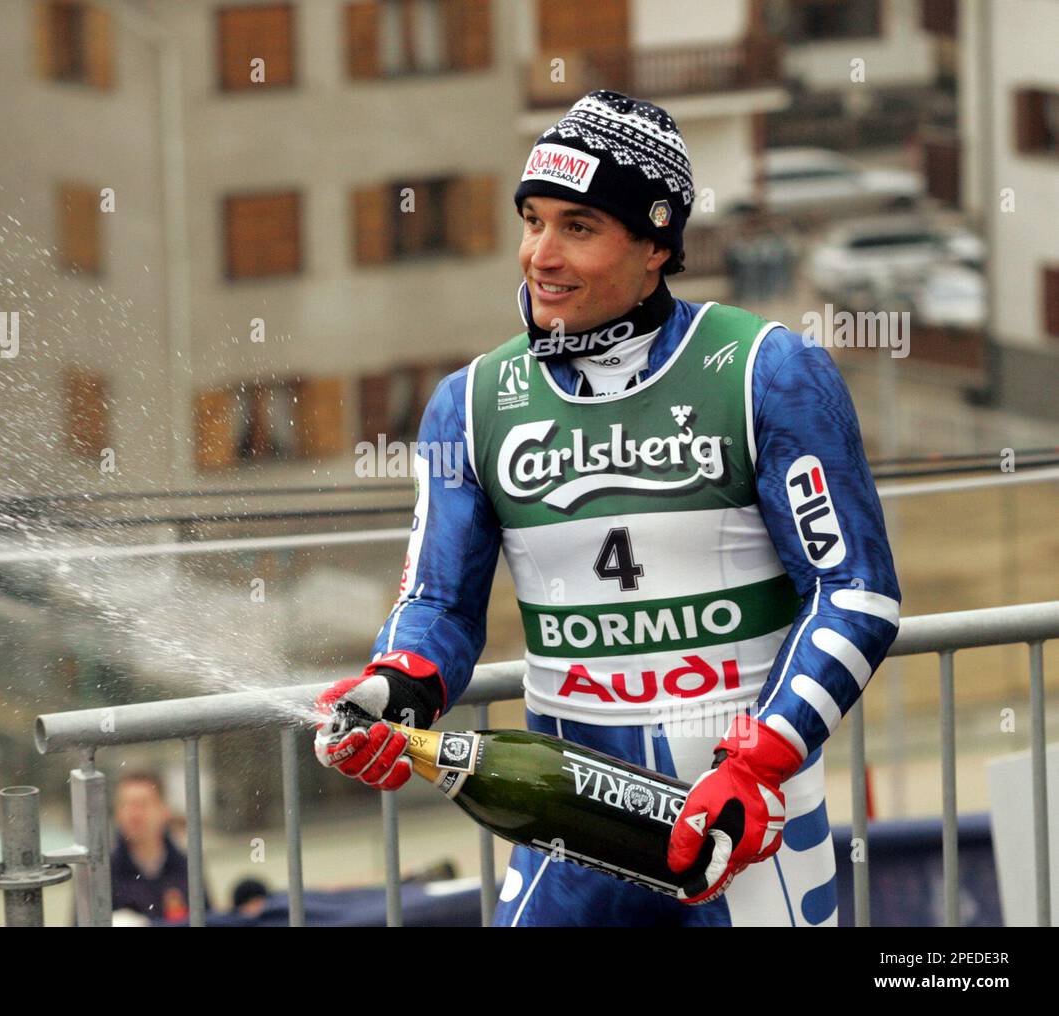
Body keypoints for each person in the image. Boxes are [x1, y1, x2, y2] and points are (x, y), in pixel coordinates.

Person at [314, 91, 901, 927]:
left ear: (658, 243)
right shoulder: (471, 403)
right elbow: (438, 606)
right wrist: (394, 692)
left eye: (578, 228)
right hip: (568, 831)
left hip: (742, 820)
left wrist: (765, 757)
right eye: (532, 221)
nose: (540, 256)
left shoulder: (769, 372)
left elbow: (856, 591)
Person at [109, 771, 206, 924]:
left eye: (143, 804)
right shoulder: (101, 874)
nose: (134, 814)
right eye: (126, 805)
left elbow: (208, 918)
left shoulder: (187, 867)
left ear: (164, 810)